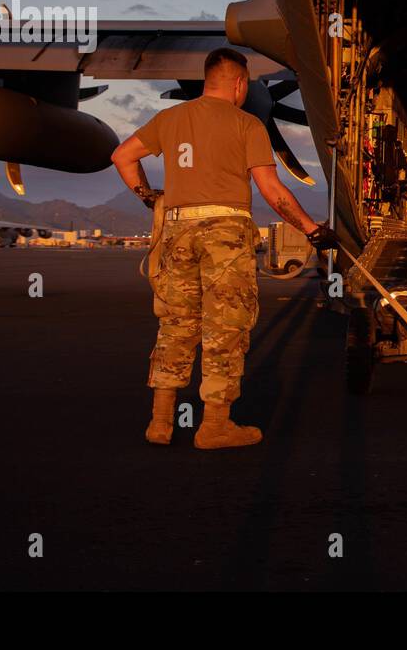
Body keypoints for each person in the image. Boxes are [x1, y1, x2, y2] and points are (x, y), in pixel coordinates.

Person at [111, 47, 337, 449]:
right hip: (225, 234)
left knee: (176, 324)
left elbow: (122, 155)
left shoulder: (169, 119)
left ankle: (161, 422)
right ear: (238, 84)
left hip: (176, 231)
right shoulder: (246, 124)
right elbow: (272, 191)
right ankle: (214, 426)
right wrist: (312, 230)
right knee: (225, 328)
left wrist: (147, 196)